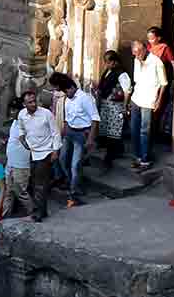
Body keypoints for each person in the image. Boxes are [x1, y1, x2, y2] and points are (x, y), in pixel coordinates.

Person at [20, 91, 62, 221]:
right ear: (24, 104)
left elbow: (55, 132)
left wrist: (55, 151)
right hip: (32, 152)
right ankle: (41, 210)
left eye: (34, 101)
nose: (33, 104)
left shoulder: (46, 114)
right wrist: (22, 139)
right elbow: (21, 129)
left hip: (45, 152)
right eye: (30, 102)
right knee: (34, 183)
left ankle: (38, 213)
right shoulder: (22, 115)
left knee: (39, 184)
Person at [130, 37, 169, 170]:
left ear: (145, 49)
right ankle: (138, 156)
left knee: (145, 131)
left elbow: (164, 83)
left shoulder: (156, 62)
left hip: (149, 100)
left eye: (139, 52)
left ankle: (145, 159)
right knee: (134, 129)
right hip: (136, 98)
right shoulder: (136, 60)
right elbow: (136, 80)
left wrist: (159, 100)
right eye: (135, 53)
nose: (137, 55)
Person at [61, 72, 99, 202]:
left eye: (67, 92)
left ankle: (73, 190)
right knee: (62, 159)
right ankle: (70, 181)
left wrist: (90, 139)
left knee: (75, 164)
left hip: (81, 133)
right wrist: (64, 133)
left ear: (72, 88)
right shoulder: (67, 99)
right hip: (69, 132)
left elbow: (95, 119)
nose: (67, 95)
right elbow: (67, 119)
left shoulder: (85, 98)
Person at [98, 70, 132, 167]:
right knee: (108, 130)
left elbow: (127, 90)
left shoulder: (122, 74)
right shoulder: (106, 72)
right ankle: (116, 150)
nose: (107, 64)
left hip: (116, 105)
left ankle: (112, 153)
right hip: (106, 105)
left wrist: (125, 106)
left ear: (114, 61)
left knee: (114, 131)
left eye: (109, 62)